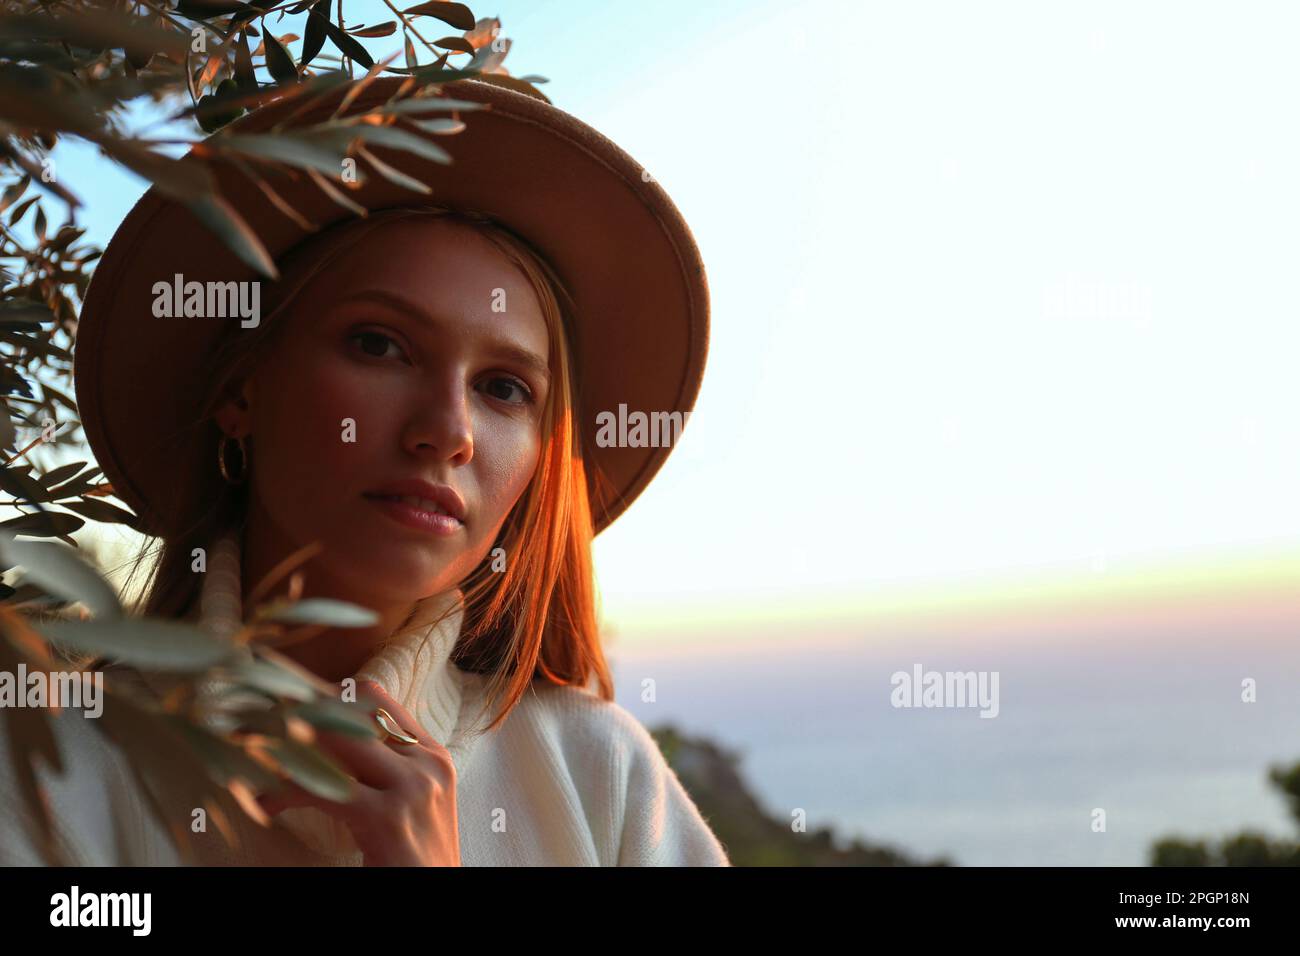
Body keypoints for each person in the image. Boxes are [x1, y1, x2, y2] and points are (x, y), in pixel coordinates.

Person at [0, 76, 727, 866]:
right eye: (379, 344)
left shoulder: (601, 778)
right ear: (243, 392)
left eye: (504, 389)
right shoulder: (47, 774)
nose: (448, 431)